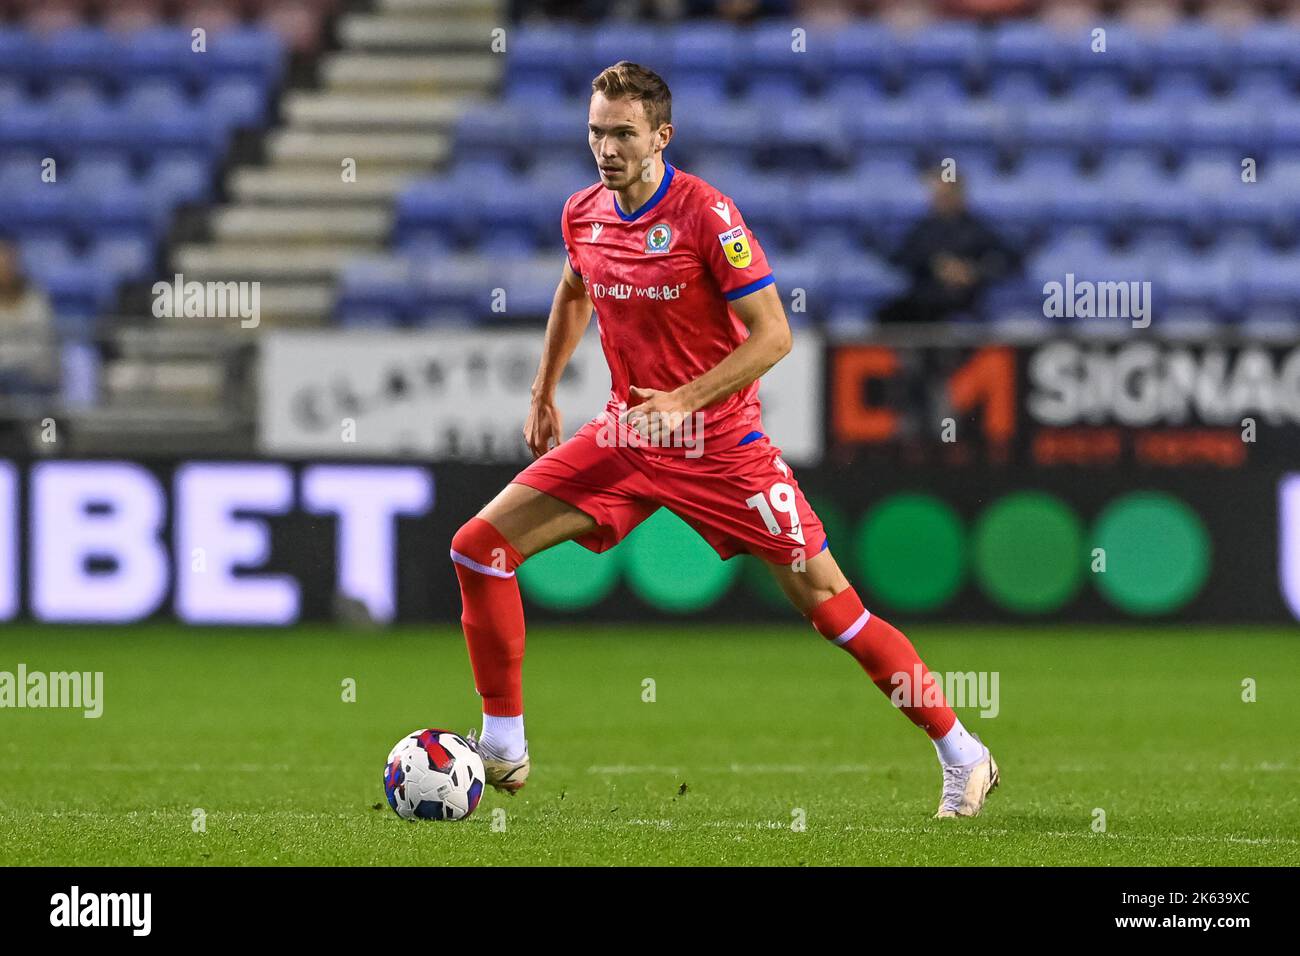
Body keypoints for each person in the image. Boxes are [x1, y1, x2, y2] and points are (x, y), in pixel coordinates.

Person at [450, 62, 998, 818]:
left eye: (622, 133)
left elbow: (774, 336)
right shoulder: (583, 212)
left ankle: (963, 752)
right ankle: (504, 745)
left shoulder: (709, 216)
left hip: (722, 447)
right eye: (595, 131)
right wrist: (545, 387)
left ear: (661, 137)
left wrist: (686, 399)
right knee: (478, 546)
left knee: (833, 608)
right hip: (627, 434)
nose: (605, 148)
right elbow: (576, 287)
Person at [878, 171, 1019, 324]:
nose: (939, 201)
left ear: (959, 196)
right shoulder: (923, 229)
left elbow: (1006, 260)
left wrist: (973, 271)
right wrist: (937, 265)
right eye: (937, 196)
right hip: (925, 299)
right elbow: (904, 258)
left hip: (969, 298)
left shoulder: (979, 229)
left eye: (945, 196)